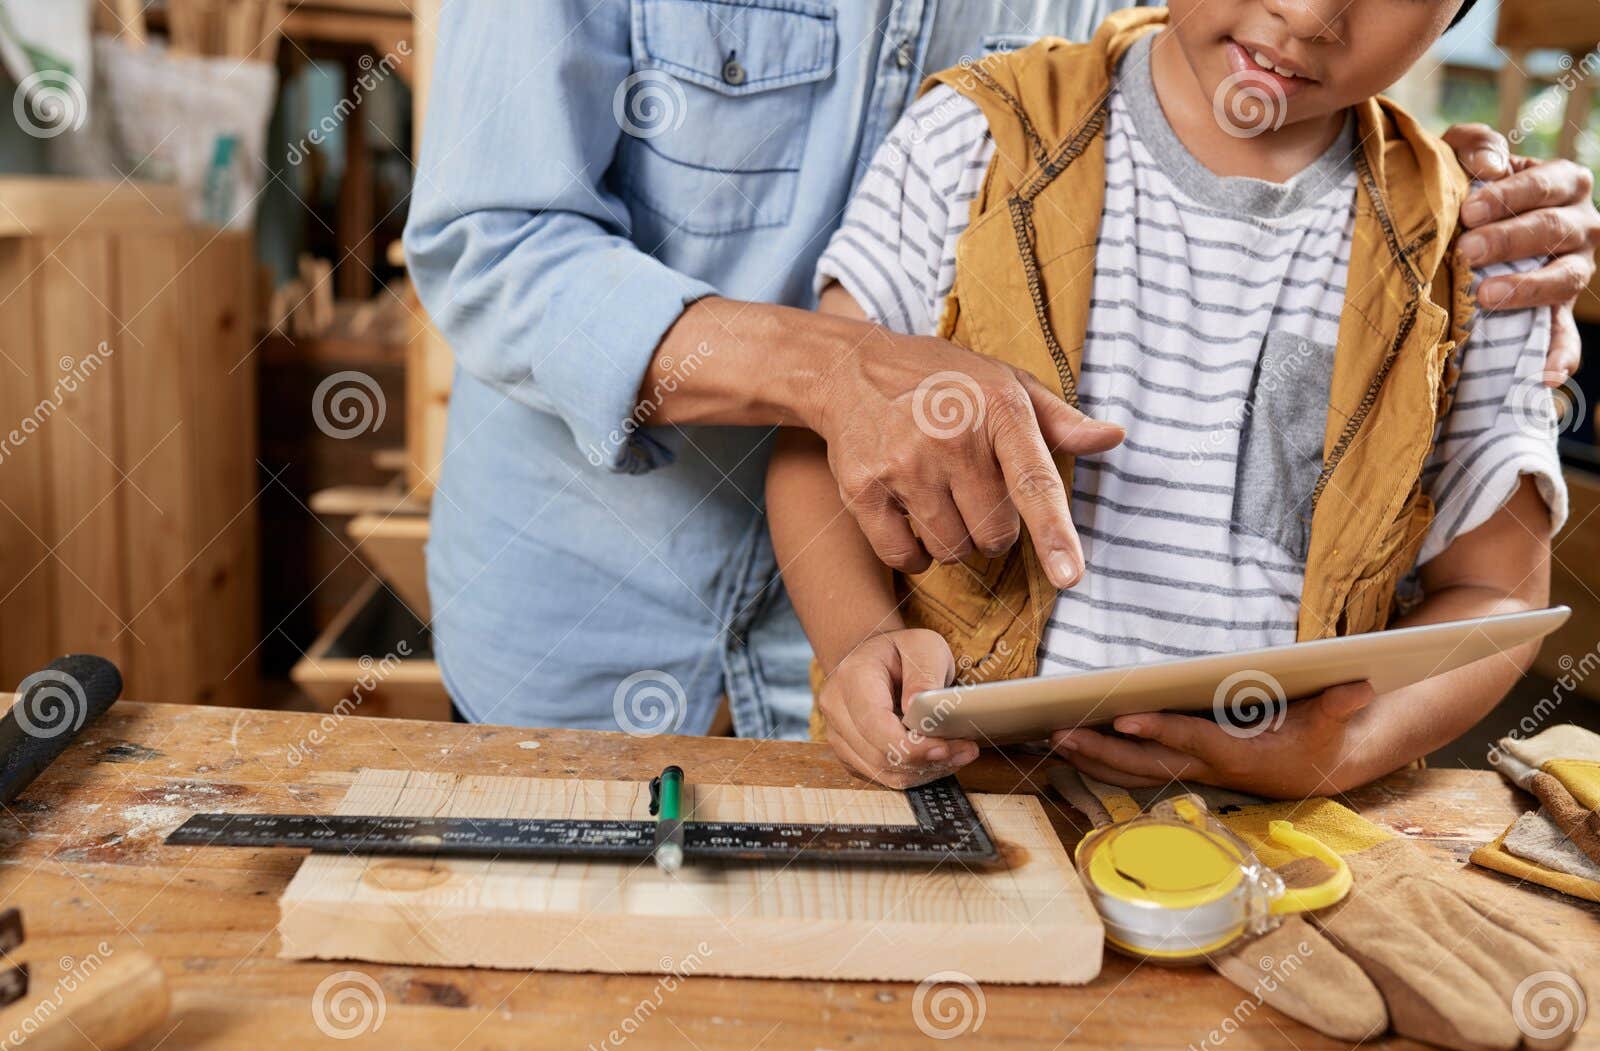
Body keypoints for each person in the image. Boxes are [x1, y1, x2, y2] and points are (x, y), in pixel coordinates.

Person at [404, 1, 1600, 742]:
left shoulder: (1436, 227)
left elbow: (1224, 99)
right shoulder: (967, 135)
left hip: (995, 753)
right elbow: (490, 243)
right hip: (595, 623)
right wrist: (839, 378)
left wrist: (1436, 230)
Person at [767, 0, 1568, 798]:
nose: (1308, 13)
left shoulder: (1482, 246)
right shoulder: (970, 137)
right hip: (955, 796)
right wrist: (859, 644)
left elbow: (1497, 593)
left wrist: (1349, 747)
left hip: (1270, 833)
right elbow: (818, 442)